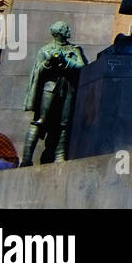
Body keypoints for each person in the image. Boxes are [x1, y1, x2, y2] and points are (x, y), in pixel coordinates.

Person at [22, 21, 87, 165]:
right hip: (49, 88)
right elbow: (38, 71)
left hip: (68, 88)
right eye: (66, 29)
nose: (69, 30)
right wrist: (48, 63)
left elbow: (82, 66)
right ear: (59, 33)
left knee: (64, 123)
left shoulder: (74, 49)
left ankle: (59, 155)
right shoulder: (45, 49)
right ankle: (26, 159)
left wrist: (66, 62)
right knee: (39, 121)